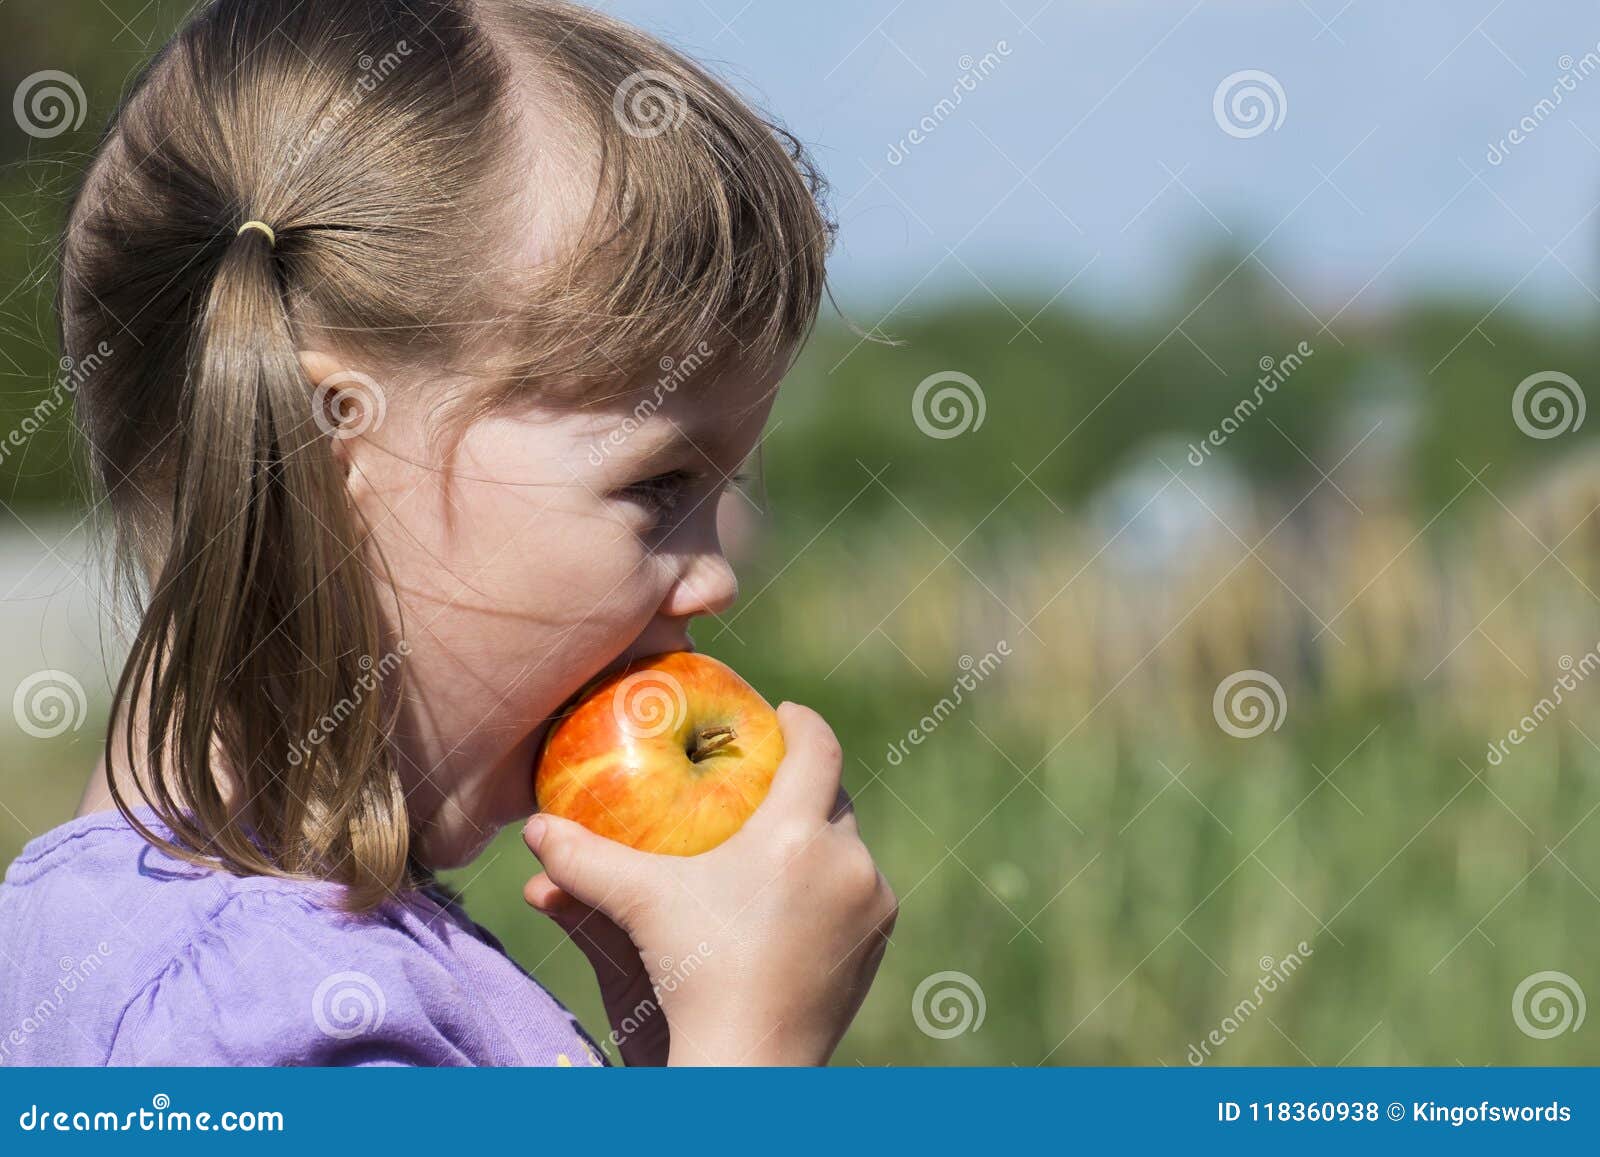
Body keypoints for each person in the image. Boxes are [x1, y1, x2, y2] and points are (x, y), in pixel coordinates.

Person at [0, 0, 896, 1067]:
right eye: (660, 483)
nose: (715, 575)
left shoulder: (143, 942)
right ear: (326, 446)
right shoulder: (268, 1022)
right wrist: (749, 1057)